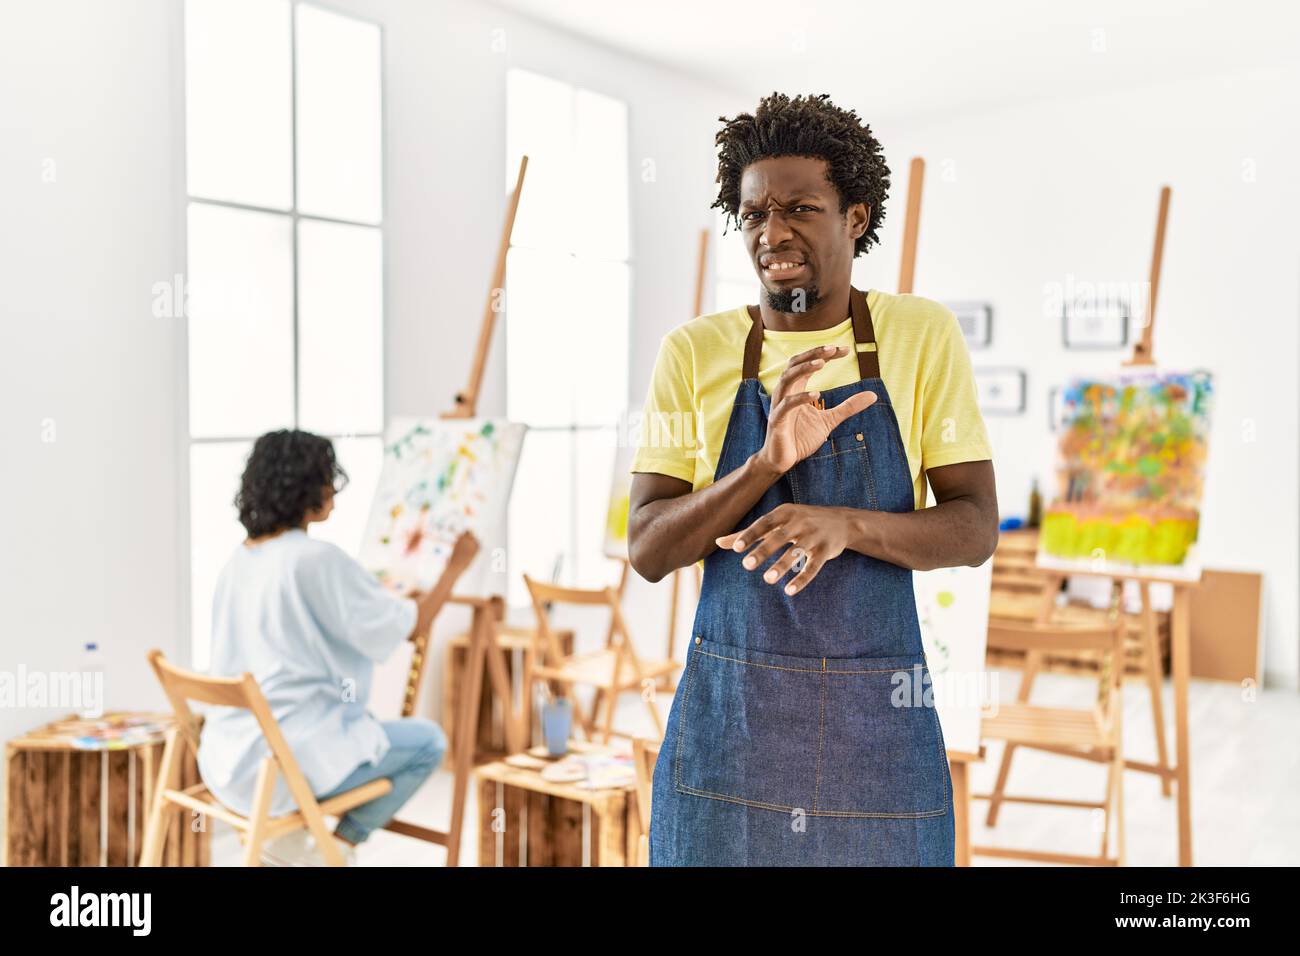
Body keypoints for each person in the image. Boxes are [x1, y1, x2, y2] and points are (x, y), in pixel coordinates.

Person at [630, 93, 999, 866]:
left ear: (856, 216)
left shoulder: (917, 334)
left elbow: (974, 527)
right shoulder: (693, 352)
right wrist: (762, 465)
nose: (773, 233)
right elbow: (650, 549)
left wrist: (847, 524)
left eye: (801, 207)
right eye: (755, 212)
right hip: (731, 733)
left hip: (876, 729)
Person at [196, 429, 477, 866]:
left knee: (367, 732)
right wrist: (455, 568)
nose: (334, 489)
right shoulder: (315, 559)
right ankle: (335, 851)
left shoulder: (240, 559)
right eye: (328, 478)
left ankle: (299, 844)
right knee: (428, 743)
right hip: (285, 762)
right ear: (307, 488)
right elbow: (413, 626)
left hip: (228, 759)